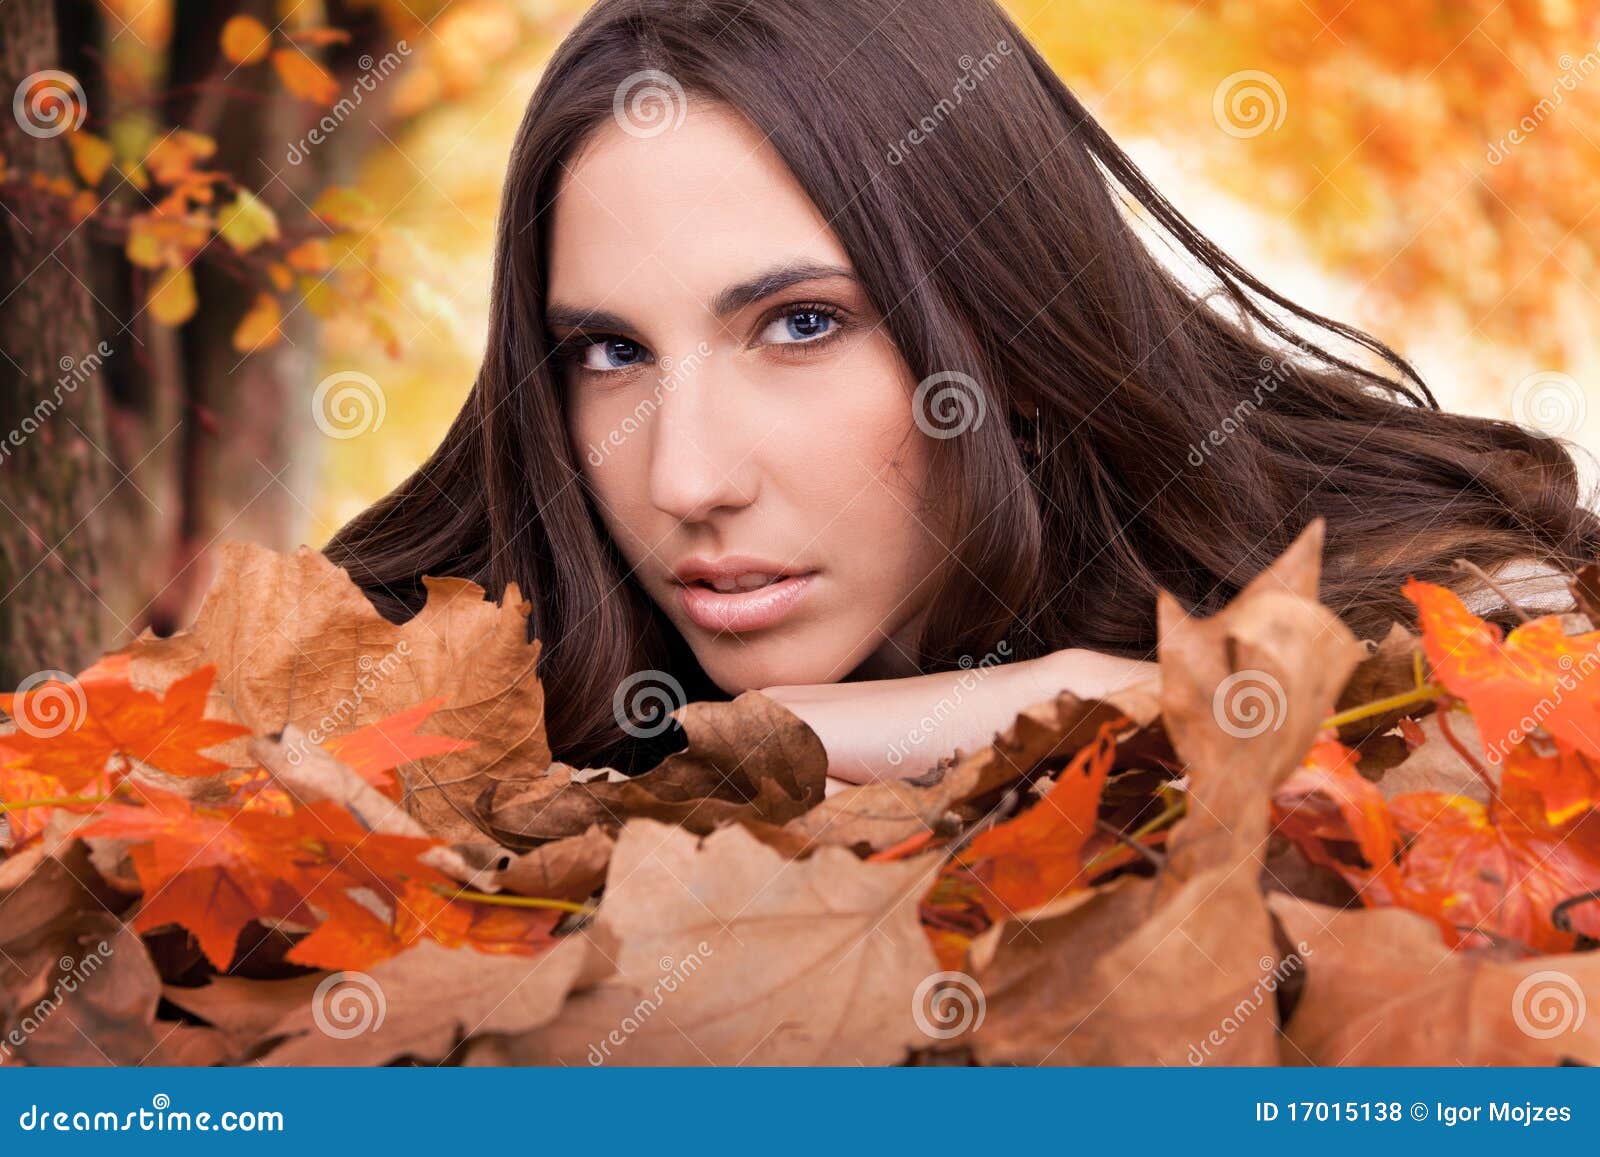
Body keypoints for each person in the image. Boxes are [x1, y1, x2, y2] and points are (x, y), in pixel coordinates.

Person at [323, 0, 1600, 789]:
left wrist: (1143, 705)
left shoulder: (1444, 609)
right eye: (610, 352)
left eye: (802, 323)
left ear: (1008, 328)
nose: (686, 481)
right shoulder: (469, 651)